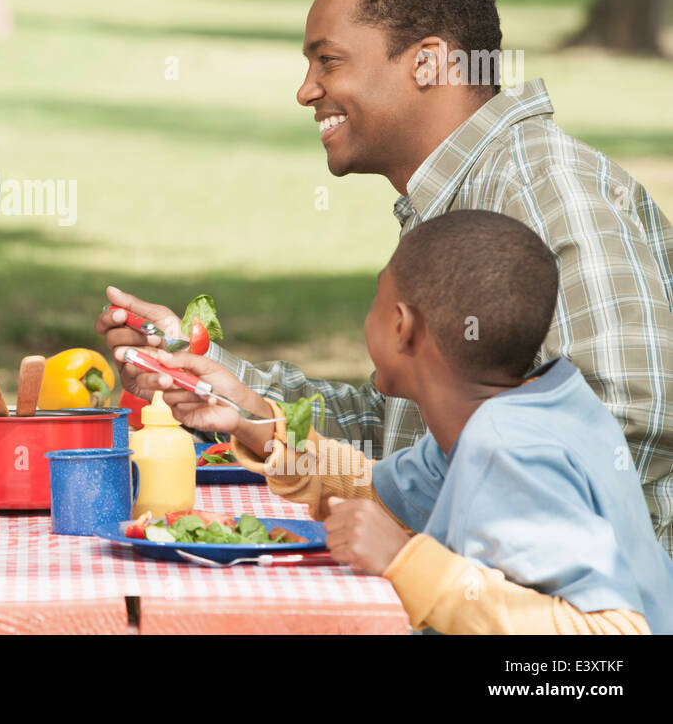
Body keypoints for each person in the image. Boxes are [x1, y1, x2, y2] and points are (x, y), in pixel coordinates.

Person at [98, 0, 673, 555]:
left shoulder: (541, 187)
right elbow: (395, 436)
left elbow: (634, 423)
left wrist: (424, 552)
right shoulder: (456, 195)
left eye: (330, 61)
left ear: (428, 62)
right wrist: (233, 391)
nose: (306, 90)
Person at [144, 210, 673, 634]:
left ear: (402, 328)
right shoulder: (517, 410)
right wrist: (250, 421)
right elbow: (374, 492)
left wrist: (403, 559)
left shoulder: (508, 447)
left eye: (377, 301)